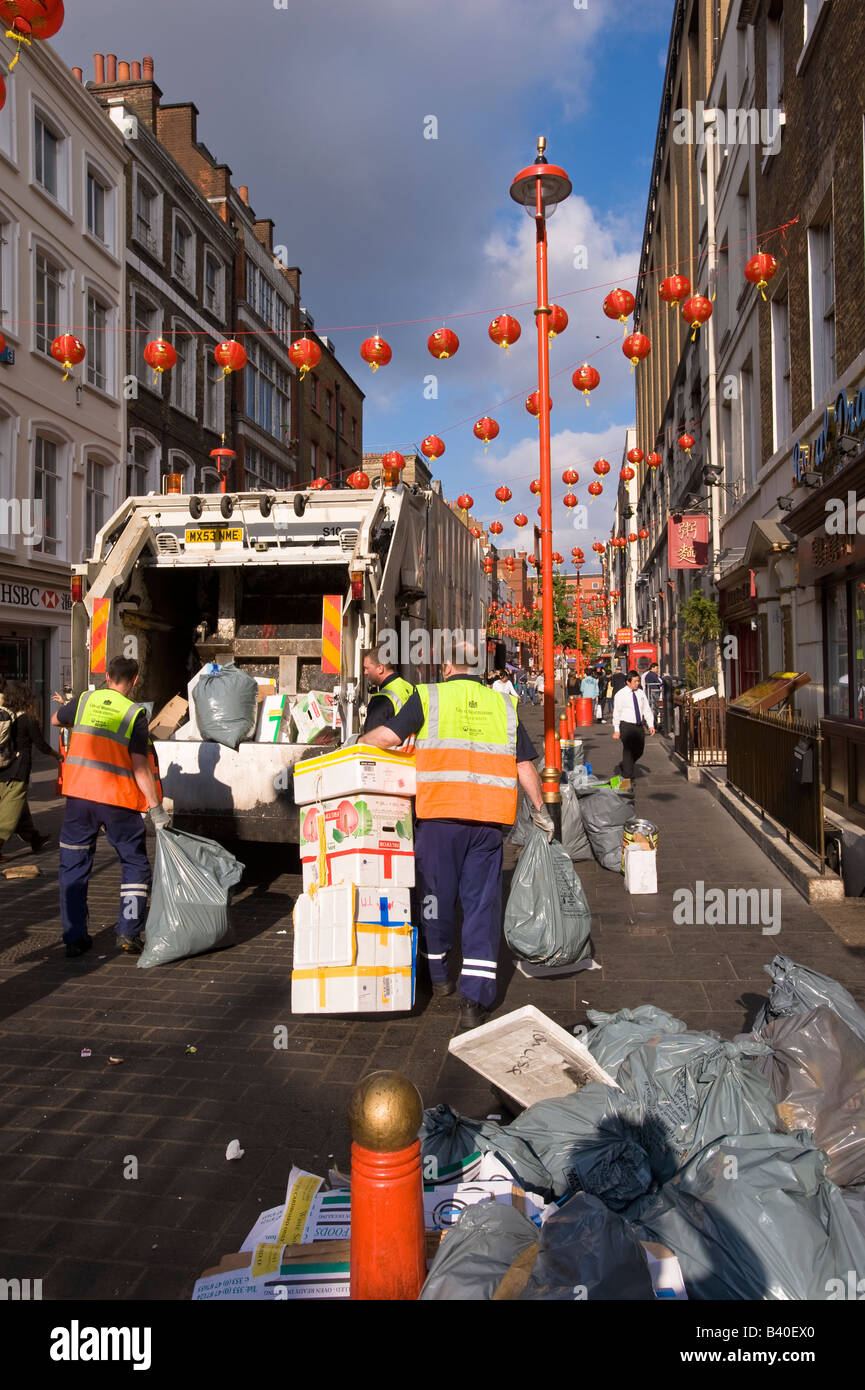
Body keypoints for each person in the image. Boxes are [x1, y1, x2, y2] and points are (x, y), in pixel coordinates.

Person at [359, 640, 553, 1031]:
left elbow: (389, 738)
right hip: (487, 824)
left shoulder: (427, 697)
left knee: (435, 899)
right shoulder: (503, 706)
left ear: (447, 666)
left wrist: (358, 743)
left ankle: (440, 975)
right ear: (479, 669)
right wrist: (540, 812)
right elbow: (524, 766)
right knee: (482, 907)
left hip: (439, 821)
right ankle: (475, 1000)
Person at [52, 656, 169, 959]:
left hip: (79, 799)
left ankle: (74, 938)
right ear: (134, 681)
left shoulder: (86, 700)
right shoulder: (134, 713)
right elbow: (140, 766)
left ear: (106, 676)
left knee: (73, 866)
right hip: (117, 801)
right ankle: (128, 932)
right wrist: (156, 809)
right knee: (134, 864)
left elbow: (56, 719)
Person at [0, 681, 61, 861]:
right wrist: (57, 756)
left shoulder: (6, 716)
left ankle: (34, 838)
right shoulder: (27, 718)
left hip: (3, 768)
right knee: (10, 813)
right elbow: (41, 745)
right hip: (19, 771)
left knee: (19, 808)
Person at [611, 668, 655, 791]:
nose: (637, 684)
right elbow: (617, 713)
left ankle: (625, 766)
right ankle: (626, 781)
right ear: (628, 682)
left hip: (638, 726)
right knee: (628, 750)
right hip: (626, 726)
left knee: (639, 750)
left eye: (638, 681)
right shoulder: (620, 694)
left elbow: (646, 708)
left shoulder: (640, 693)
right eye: (635, 681)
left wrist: (650, 724)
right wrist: (616, 729)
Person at [362, 649, 414, 733]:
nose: (365, 672)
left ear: (380, 668)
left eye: (367, 668)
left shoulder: (380, 700)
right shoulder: (409, 687)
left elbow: (371, 740)